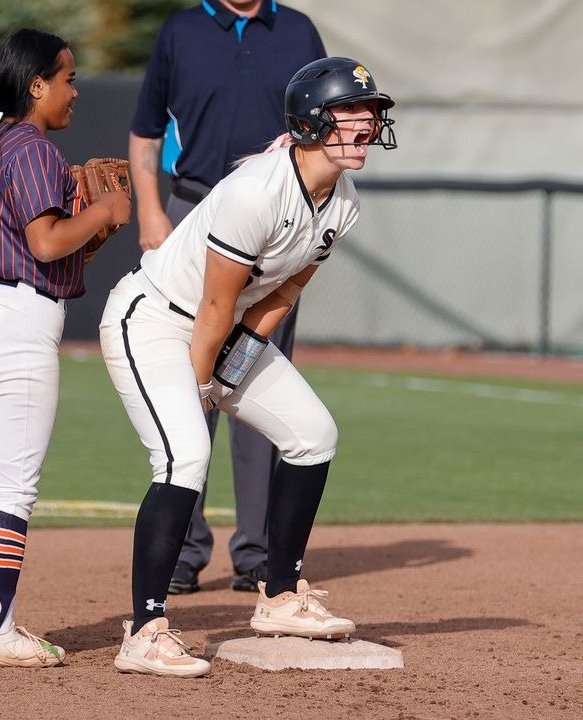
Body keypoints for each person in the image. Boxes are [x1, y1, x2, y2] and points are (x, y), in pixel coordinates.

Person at [100, 56, 397, 677]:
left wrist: (232, 369)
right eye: (351, 111)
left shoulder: (343, 201)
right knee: (185, 457)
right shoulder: (257, 191)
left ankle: (280, 597)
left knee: (313, 435)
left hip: (224, 326)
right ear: (310, 121)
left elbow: (285, 293)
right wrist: (203, 384)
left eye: (371, 111)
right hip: (153, 320)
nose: (367, 122)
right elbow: (212, 304)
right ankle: (145, 630)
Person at [0, 28, 131, 669]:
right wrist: (105, 211)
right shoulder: (33, 147)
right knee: (10, 491)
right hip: (11, 325)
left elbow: (38, 244)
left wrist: (83, 223)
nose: (75, 91)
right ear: (37, 85)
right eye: (68, 78)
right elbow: (45, 242)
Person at [128, 0, 326, 595]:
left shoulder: (297, 30)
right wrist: (151, 212)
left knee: (251, 378)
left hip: (273, 222)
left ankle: (257, 552)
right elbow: (146, 131)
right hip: (194, 211)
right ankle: (182, 551)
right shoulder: (181, 31)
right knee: (187, 385)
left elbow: (322, 124)